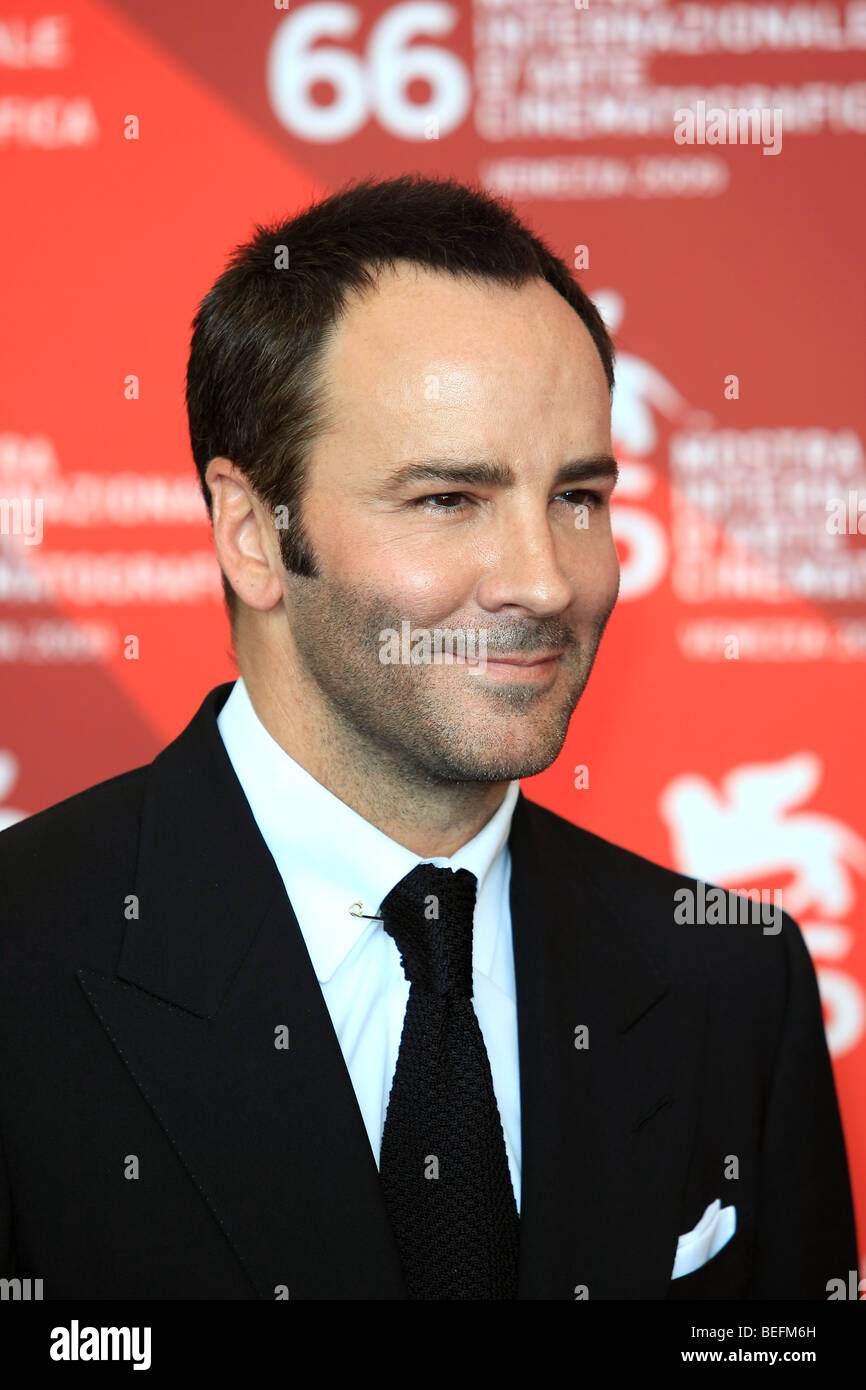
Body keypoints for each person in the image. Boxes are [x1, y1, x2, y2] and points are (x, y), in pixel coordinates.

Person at [0, 175, 857, 1301]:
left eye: (578, 497)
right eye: (449, 498)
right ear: (253, 534)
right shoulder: (23, 959)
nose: (545, 580)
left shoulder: (728, 985)